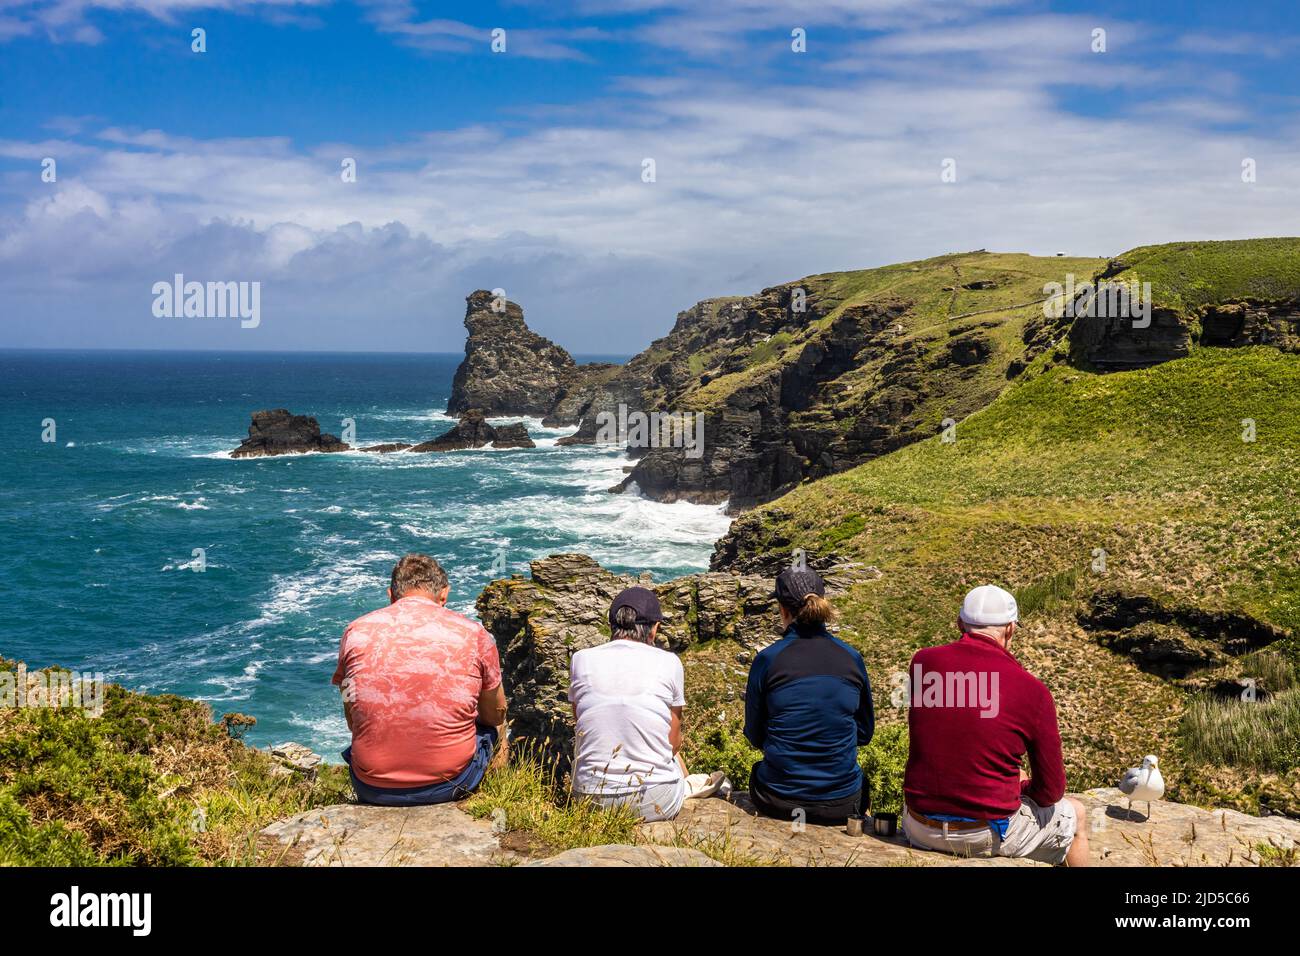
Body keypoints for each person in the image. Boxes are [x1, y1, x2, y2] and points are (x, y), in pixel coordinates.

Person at [902, 584, 1089, 866]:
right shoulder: (1032, 690)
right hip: (982, 833)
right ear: (1011, 629)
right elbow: (1051, 791)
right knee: (1077, 815)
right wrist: (1020, 786)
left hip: (917, 825)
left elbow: (950, 731)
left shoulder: (923, 662)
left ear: (959, 623)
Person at [332, 553, 507, 806]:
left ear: (391, 595)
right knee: (501, 721)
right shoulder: (474, 634)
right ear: (444, 594)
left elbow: (351, 715)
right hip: (451, 783)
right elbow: (495, 715)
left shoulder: (355, 631)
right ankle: (491, 803)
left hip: (371, 786)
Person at [568, 586, 723, 821]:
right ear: (654, 629)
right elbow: (673, 742)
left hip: (590, 801)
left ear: (612, 626)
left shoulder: (580, 659)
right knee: (667, 750)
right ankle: (690, 787)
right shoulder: (670, 662)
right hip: (654, 800)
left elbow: (581, 724)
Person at [743, 567, 874, 825]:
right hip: (844, 803)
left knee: (758, 771)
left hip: (778, 799)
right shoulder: (851, 658)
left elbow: (755, 736)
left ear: (783, 610)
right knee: (862, 780)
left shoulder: (768, 660)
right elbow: (865, 733)